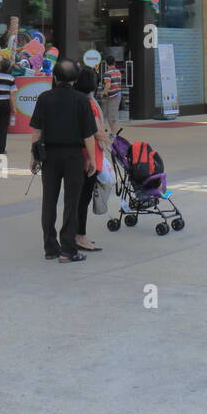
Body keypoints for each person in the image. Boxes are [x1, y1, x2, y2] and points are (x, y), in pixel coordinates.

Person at [29, 57, 97, 263]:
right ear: (75, 80)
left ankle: (50, 248)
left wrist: (33, 156)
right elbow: (88, 135)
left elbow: (36, 131)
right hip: (73, 156)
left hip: (49, 155)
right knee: (71, 202)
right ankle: (68, 250)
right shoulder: (81, 100)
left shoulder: (44, 98)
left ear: (55, 77)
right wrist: (92, 158)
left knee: (49, 201)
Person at [74, 66, 108, 253]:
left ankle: (76, 234)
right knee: (84, 198)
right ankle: (80, 235)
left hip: (81, 155)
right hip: (90, 156)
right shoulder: (90, 103)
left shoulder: (77, 101)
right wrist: (108, 139)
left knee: (78, 197)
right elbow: (95, 131)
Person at [101, 55, 123, 133]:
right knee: (109, 116)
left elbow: (108, 85)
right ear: (114, 63)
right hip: (117, 94)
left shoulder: (107, 73)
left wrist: (103, 93)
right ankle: (111, 134)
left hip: (112, 97)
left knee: (111, 118)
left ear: (106, 64)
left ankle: (114, 136)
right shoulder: (118, 72)